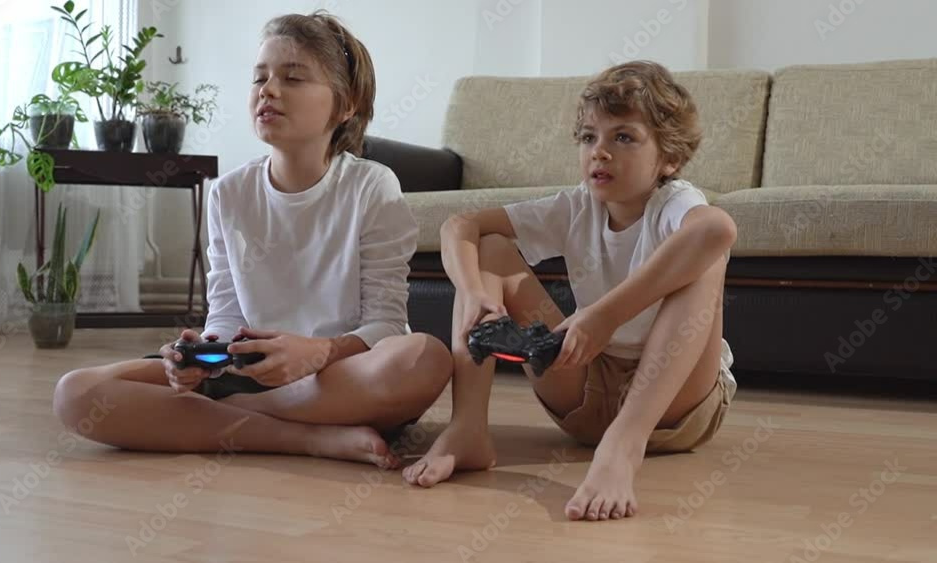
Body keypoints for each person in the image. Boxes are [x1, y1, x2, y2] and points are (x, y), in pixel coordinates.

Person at [53, 11, 452, 468]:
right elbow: (225, 313)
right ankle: (305, 440)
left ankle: (228, 420)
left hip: (339, 382)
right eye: (259, 77)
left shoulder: (372, 186)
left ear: (346, 105)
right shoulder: (228, 193)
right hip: (244, 375)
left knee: (426, 358)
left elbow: (383, 322)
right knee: (76, 393)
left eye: (294, 77)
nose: (269, 90)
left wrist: (316, 352)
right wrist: (199, 356)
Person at [402, 61, 738, 520]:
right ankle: (467, 429)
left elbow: (718, 229)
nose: (599, 152)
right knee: (490, 249)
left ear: (669, 158)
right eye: (588, 137)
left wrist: (603, 315)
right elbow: (460, 226)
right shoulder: (577, 205)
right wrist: (474, 290)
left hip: (675, 407)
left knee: (704, 258)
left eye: (623, 137)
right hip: (584, 396)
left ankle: (624, 446)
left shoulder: (674, 204)